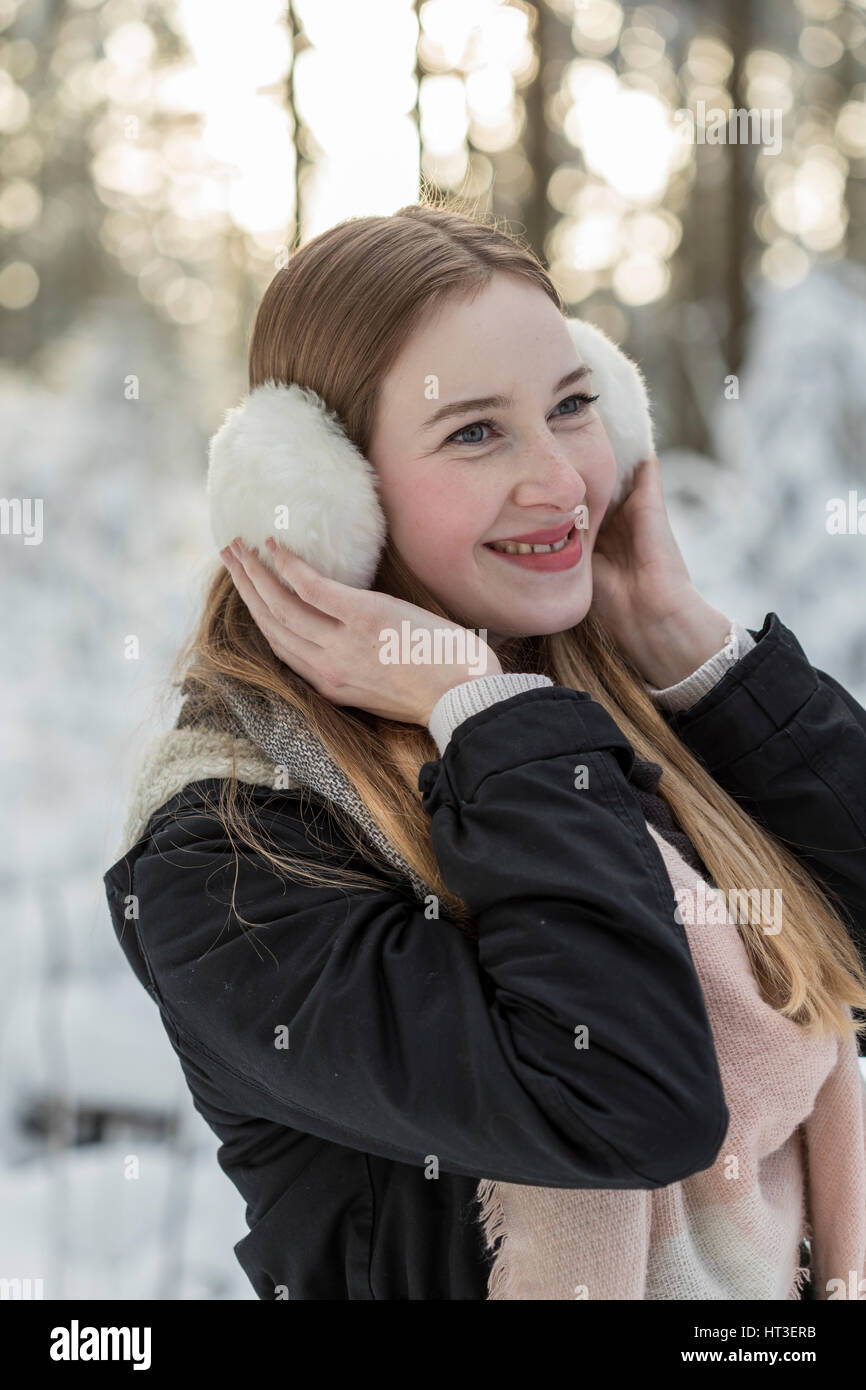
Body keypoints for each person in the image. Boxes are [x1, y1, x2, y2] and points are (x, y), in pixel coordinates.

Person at [103, 201, 866, 1301]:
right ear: (324, 495)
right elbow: (629, 1104)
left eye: (570, 407)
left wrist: (688, 653)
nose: (558, 481)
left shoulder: (599, 707)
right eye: (473, 431)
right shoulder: (230, 856)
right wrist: (480, 709)